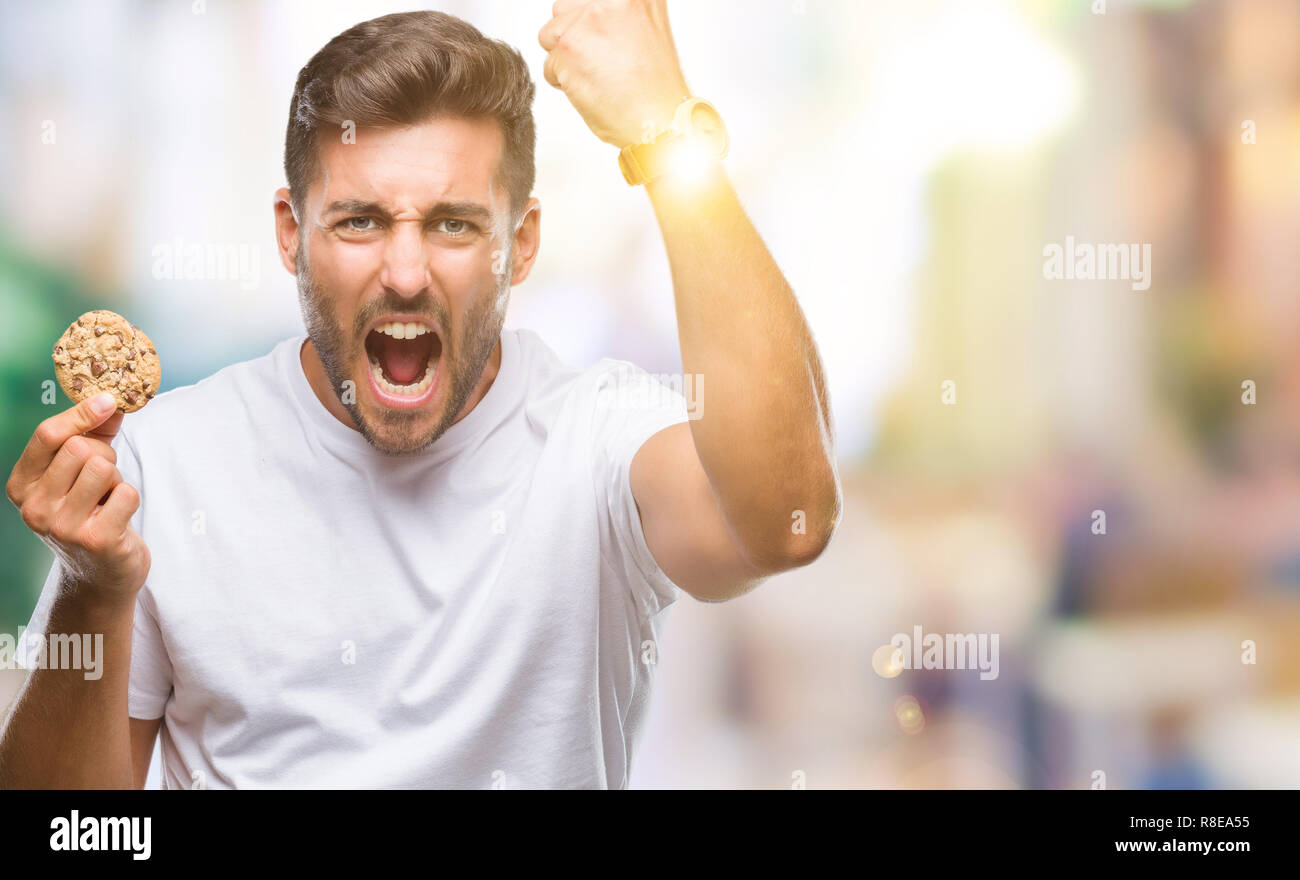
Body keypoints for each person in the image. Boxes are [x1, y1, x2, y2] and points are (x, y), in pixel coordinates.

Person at [1, 3, 840, 789]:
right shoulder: (167, 463)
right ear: (291, 234)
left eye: (454, 224)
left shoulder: (597, 440)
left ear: (524, 241)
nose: (405, 274)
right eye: (360, 220)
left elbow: (786, 524)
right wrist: (91, 589)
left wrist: (667, 139)